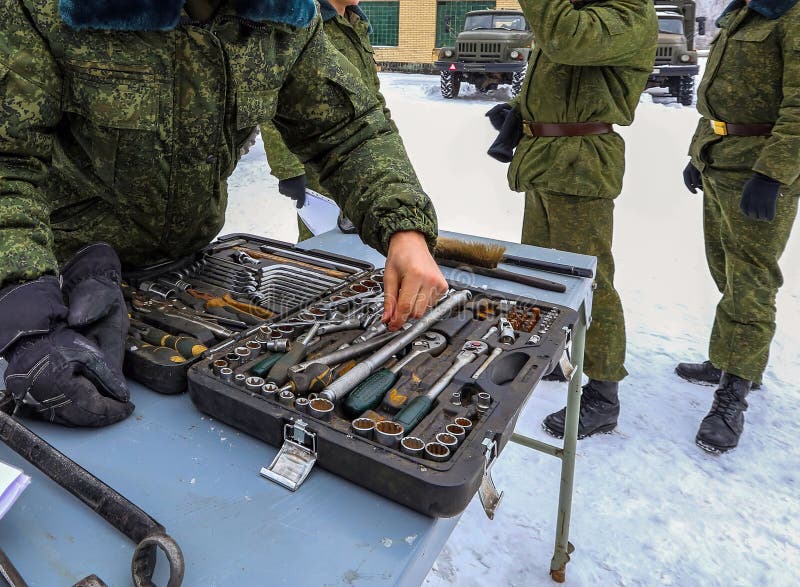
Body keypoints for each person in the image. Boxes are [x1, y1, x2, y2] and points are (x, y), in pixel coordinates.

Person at [0, 0, 447, 427]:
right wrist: (28, 319)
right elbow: (8, 163)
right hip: (48, 288)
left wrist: (403, 228)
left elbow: (348, 131)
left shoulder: (281, 19)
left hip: (186, 275)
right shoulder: (52, 10)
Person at [487, 0, 657, 439]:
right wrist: (520, 109)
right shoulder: (577, 9)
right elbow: (559, 75)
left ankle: (602, 393)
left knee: (589, 280)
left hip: (581, 165)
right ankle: (557, 356)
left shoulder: (628, 12)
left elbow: (566, 38)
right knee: (541, 275)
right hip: (546, 159)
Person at [678, 0, 799, 453]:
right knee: (724, 268)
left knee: (751, 280)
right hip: (720, 161)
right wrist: (697, 155)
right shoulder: (742, 12)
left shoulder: (792, 13)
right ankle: (727, 359)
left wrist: (773, 173)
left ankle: (734, 393)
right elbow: (715, 97)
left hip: (759, 168)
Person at [262, 0, 393, 241]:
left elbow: (373, 97)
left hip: (366, 159)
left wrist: (391, 147)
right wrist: (288, 170)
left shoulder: (356, 23)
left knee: (364, 242)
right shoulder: (303, 19)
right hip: (320, 162)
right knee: (321, 242)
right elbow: (272, 98)